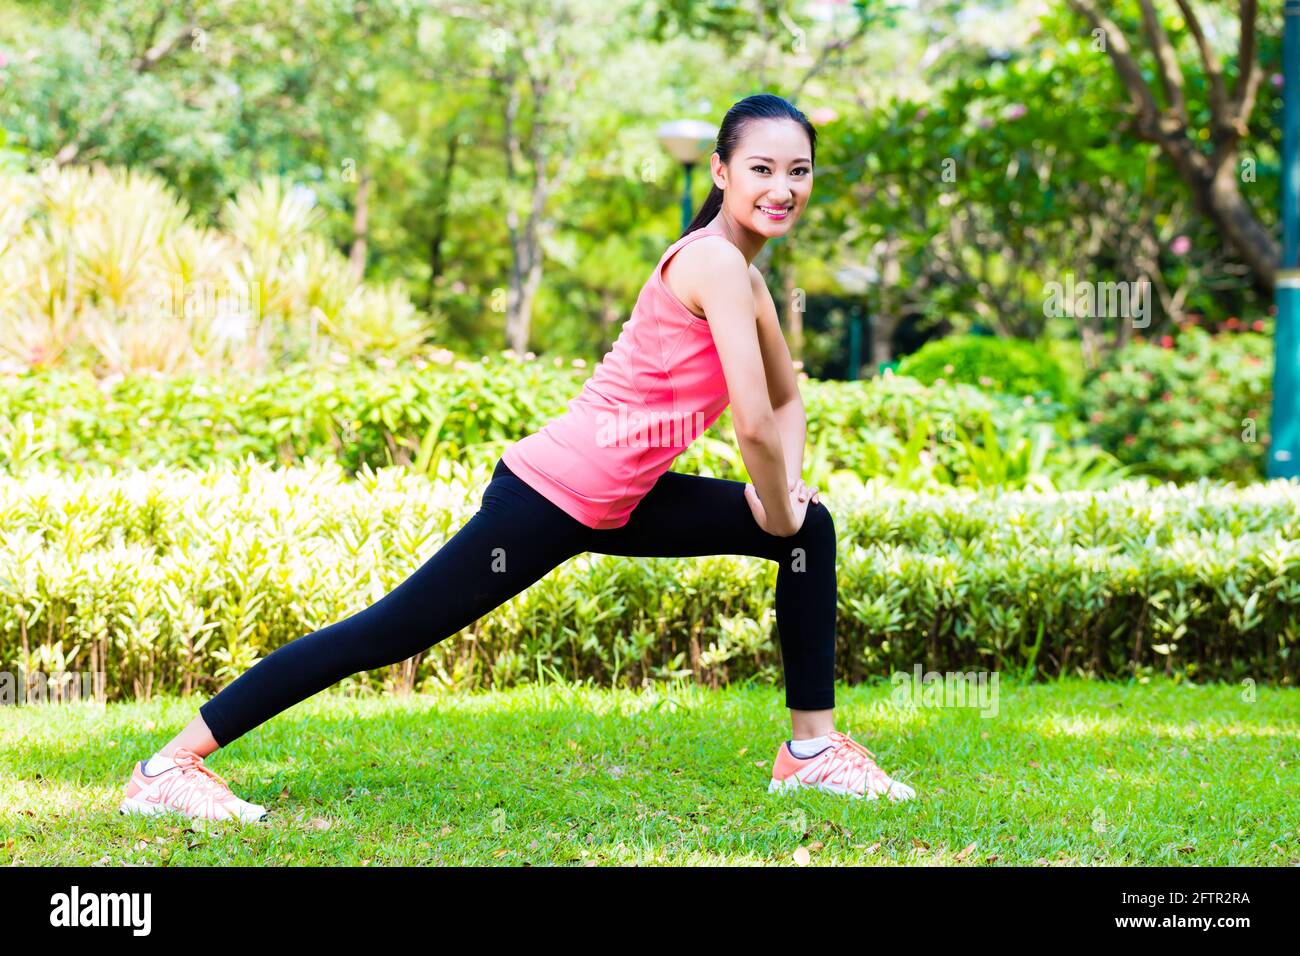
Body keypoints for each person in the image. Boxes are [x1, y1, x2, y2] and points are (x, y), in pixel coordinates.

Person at [118, 93, 915, 824]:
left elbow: (784, 402)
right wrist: (774, 505)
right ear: (720, 171)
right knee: (387, 633)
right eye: (762, 169)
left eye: (799, 171)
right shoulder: (710, 261)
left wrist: (788, 501)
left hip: (621, 496)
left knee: (810, 531)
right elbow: (749, 421)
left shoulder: (746, 278)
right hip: (554, 495)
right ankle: (169, 766)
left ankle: (809, 753)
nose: (783, 187)